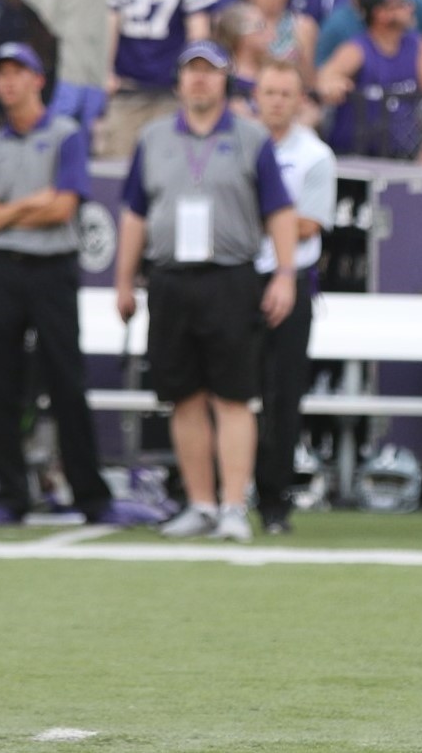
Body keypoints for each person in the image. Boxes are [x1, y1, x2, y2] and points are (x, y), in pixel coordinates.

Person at [113, 40, 298, 544]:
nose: (200, 80)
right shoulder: (152, 139)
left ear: (225, 81)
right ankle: (200, 503)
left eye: (210, 72)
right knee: (184, 397)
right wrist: (124, 280)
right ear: (178, 82)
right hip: (171, 278)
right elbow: (133, 213)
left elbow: (279, 211)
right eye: (192, 71)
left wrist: (284, 273)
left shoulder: (251, 139)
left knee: (234, 396)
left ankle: (235, 504)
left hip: (230, 276)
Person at [0, 44, 140, 528]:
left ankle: (90, 495)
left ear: (38, 80)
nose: (8, 83)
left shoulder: (65, 136)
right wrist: (26, 206)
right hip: (1, 269)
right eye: (0, 74)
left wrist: (3, 211)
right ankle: (11, 494)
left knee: (66, 382)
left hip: (52, 268)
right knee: (2, 386)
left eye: (17, 73)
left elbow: (63, 208)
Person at [251, 58, 336, 535]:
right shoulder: (239, 146)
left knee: (283, 396)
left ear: (300, 100)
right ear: (255, 97)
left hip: (290, 280)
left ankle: (275, 500)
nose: (277, 101)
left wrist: (252, 218)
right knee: (229, 392)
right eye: (269, 92)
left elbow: (307, 226)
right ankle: (222, 493)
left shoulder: (315, 155)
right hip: (241, 276)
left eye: (286, 93)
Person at [98, 0, 218, 158]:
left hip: (170, 91)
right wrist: (106, 71)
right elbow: (109, 25)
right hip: (128, 87)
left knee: (171, 161)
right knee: (118, 161)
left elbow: (198, 33)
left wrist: (189, 77)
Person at [314, 0, 422, 165]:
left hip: (402, 153)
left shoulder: (417, 45)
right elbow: (327, 75)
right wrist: (332, 84)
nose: (410, 8)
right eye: (401, 4)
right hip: (355, 155)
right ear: (381, 13)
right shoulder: (358, 48)